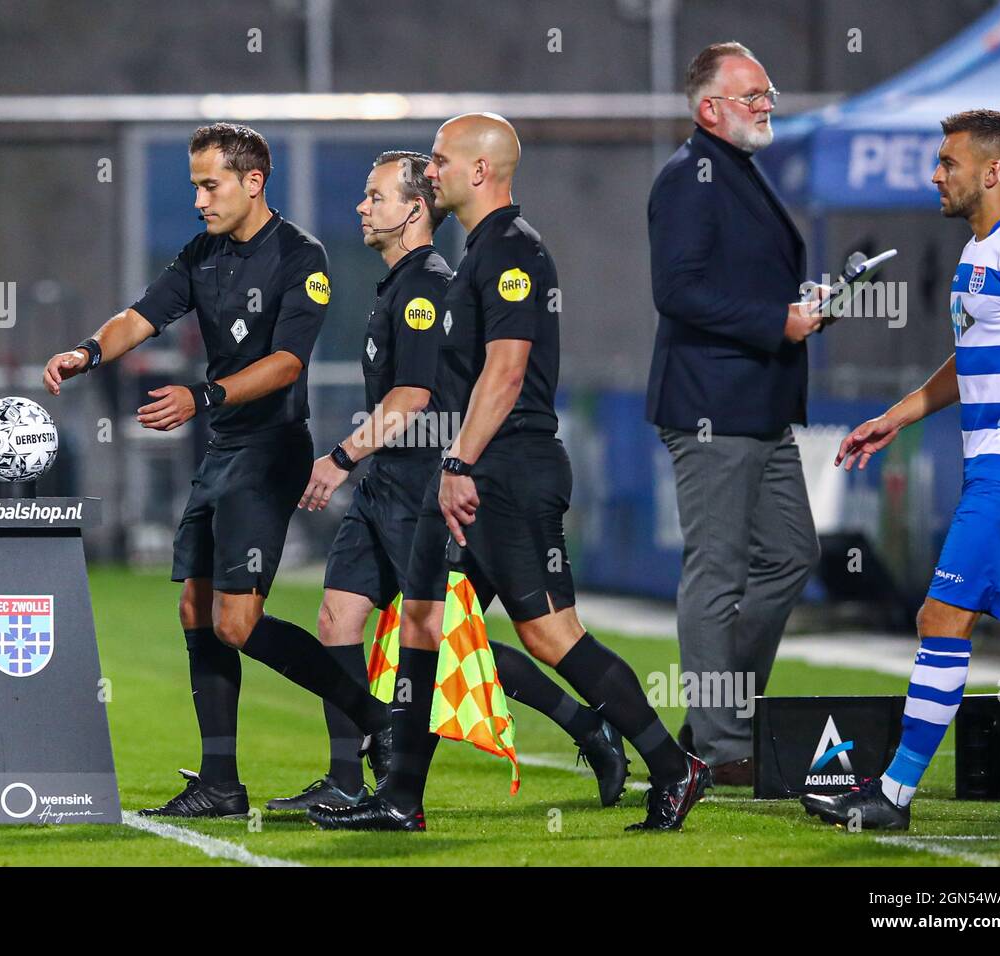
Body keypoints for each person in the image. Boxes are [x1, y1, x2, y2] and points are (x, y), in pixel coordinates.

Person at [310, 113, 707, 832]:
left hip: (508, 470)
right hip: (467, 470)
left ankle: (673, 768)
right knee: (424, 625)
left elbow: (508, 368)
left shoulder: (513, 251)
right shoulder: (477, 253)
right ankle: (401, 799)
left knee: (551, 637)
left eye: (439, 159)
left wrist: (459, 460)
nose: (431, 172)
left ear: (480, 170)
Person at [42, 123, 390, 819]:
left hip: (269, 453)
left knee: (235, 623)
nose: (200, 199)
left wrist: (202, 396)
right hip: (224, 451)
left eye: (211, 185)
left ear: (252, 182)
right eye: (195, 185)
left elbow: (289, 363)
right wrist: (87, 352)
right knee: (196, 608)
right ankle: (221, 783)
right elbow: (141, 316)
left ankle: (377, 718)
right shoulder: (202, 253)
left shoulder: (301, 256)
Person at [266, 150, 628, 813]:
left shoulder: (431, 285)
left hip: (426, 486)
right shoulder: (398, 284)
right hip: (385, 487)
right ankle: (348, 777)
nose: (361, 208)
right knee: (336, 619)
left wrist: (340, 457)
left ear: (411, 211)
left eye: (374, 197)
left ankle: (590, 726)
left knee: (451, 640)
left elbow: (415, 395)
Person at [802, 109, 1000, 829]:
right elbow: (971, 360)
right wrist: (900, 412)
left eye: (949, 162)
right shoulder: (983, 253)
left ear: (996, 171)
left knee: (941, 616)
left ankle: (894, 795)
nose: (936, 175)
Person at [646, 41, 822, 785]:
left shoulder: (736, 172)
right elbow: (676, 292)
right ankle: (720, 749)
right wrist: (772, 321)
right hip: (713, 407)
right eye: (751, 95)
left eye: (768, 91)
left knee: (792, 555)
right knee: (716, 573)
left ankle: (719, 709)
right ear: (708, 107)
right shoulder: (689, 178)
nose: (767, 104)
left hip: (760, 404)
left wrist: (798, 313)